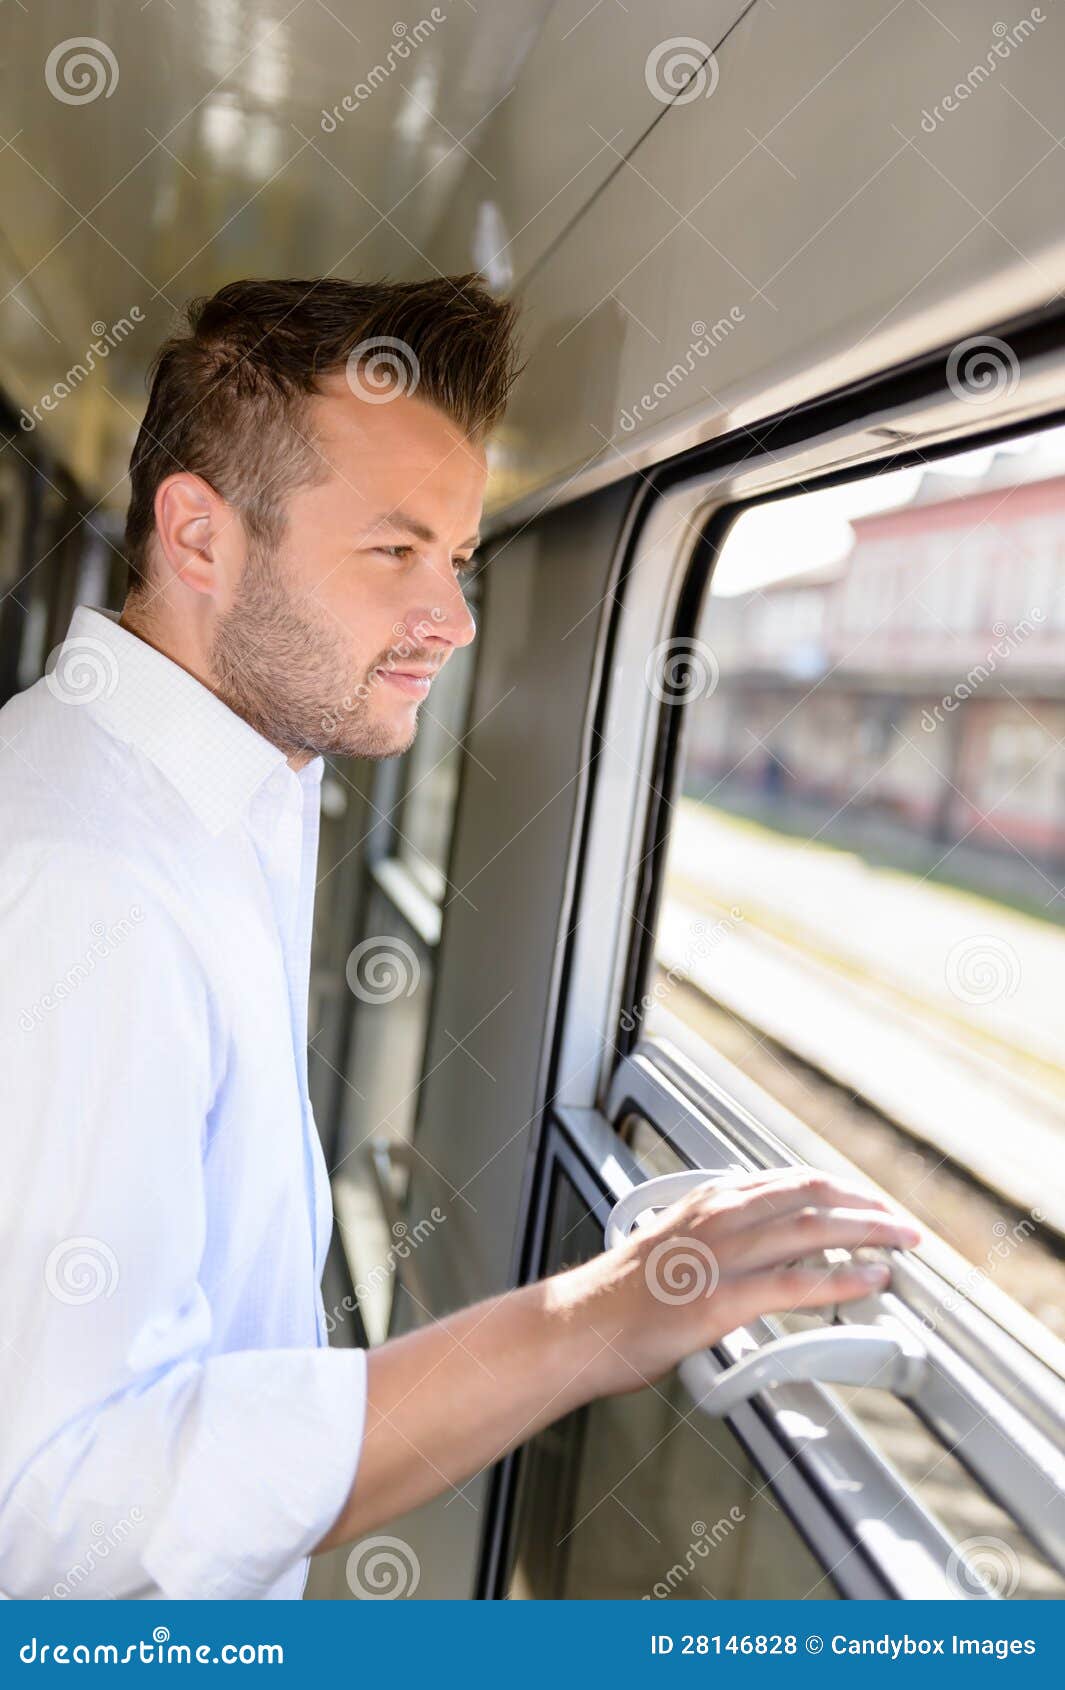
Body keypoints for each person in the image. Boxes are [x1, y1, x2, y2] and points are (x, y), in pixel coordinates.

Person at [0, 276, 920, 1599]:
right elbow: (56, 1511)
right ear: (199, 538)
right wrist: (600, 1320)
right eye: (395, 552)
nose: (454, 619)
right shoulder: (85, 880)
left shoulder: (226, 788)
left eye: (460, 559)